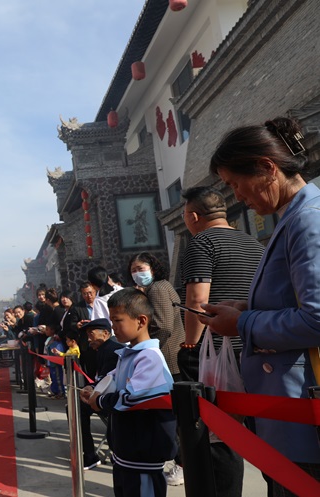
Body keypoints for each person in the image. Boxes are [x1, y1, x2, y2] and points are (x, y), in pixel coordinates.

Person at [199, 117, 320, 495]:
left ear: (268, 168)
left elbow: (316, 318)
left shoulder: (307, 222)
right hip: (288, 411)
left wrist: (244, 323)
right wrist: (246, 306)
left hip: (302, 413)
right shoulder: (293, 218)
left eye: (236, 183)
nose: (237, 197)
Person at [173, 185, 264, 491]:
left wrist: (189, 342)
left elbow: (198, 298)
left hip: (214, 351)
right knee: (258, 436)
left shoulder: (201, 243)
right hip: (254, 346)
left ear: (193, 215)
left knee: (216, 436)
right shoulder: (256, 245)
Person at [82, 288, 177, 497]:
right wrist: (94, 390)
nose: (113, 327)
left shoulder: (150, 357)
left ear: (141, 321)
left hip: (143, 452)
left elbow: (134, 398)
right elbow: (112, 380)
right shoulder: (130, 354)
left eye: (117, 321)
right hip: (128, 450)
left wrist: (101, 400)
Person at [77, 318, 125, 470]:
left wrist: (92, 389)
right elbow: (101, 378)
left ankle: (90, 455)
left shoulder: (112, 350)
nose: (89, 339)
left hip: (112, 399)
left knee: (79, 408)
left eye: (91, 334)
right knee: (76, 405)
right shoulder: (102, 350)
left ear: (105, 333)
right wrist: (91, 387)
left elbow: (108, 381)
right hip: (106, 395)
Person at [128, 252, 184, 378]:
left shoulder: (157, 289)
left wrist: (146, 347)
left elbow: (163, 327)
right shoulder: (156, 287)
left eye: (140, 269)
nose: (137, 273)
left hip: (168, 355)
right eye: (133, 271)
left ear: (152, 270)